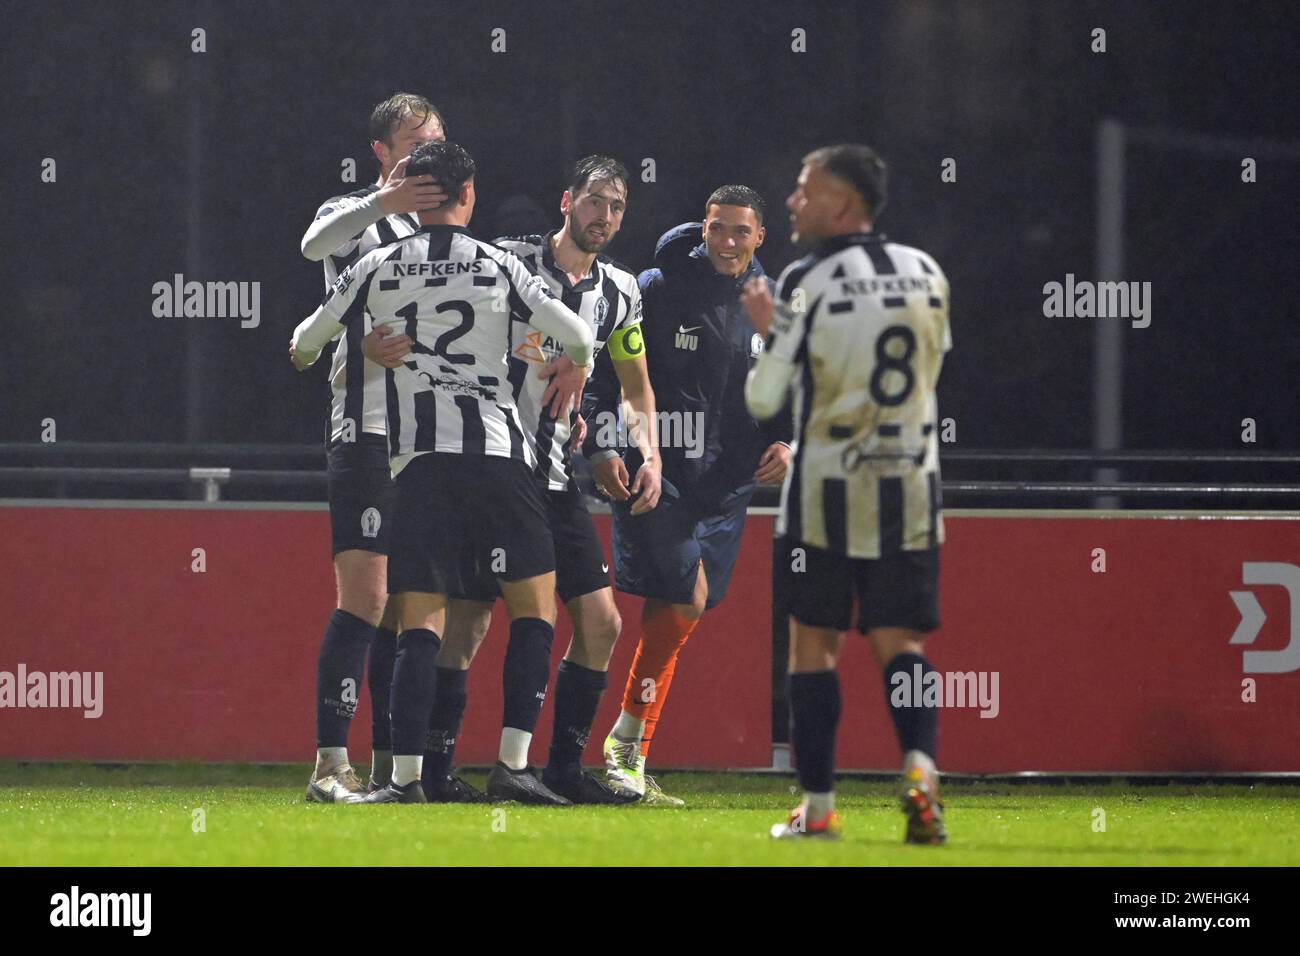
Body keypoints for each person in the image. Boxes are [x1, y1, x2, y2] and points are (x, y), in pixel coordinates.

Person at [290, 140, 596, 804]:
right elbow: (576, 333)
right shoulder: (498, 264)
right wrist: (578, 360)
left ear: (418, 192)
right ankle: (513, 764)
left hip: (416, 464)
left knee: (418, 620)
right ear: (469, 194)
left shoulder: (374, 262)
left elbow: (301, 346)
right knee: (533, 608)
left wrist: (364, 345)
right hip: (500, 458)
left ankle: (403, 780)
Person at [368, 157, 663, 804]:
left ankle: (556, 768)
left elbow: (637, 387)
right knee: (469, 620)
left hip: (557, 471)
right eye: (594, 201)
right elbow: (458, 330)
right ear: (567, 201)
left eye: (616, 207)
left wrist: (648, 452)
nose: (603, 217)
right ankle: (440, 768)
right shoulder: (509, 260)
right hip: (494, 461)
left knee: (601, 622)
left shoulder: (621, 291)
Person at [743, 144, 951, 844]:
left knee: (814, 648)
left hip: (824, 489)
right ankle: (920, 770)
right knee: (902, 643)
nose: (794, 202)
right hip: (910, 484)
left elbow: (764, 395)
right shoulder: (926, 272)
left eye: (805, 191)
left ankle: (821, 808)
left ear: (844, 203)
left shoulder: (805, 279)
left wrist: (774, 332)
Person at [584, 186, 793, 805]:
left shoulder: (771, 303)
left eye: (741, 232)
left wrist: (788, 441)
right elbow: (603, 371)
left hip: (728, 483)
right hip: (657, 468)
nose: (727, 242)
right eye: (718, 228)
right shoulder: (653, 285)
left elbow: (795, 384)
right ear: (702, 227)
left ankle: (628, 755)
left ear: (760, 238)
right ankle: (619, 744)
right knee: (685, 594)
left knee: (677, 611)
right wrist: (602, 447)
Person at [298, 92, 448, 803]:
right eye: (415, 144)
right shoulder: (354, 216)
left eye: (438, 140)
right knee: (365, 596)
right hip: (364, 426)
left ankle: (395, 766)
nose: (428, 154)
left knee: (407, 603)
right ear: (383, 155)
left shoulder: (443, 231)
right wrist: (382, 205)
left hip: (427, 439)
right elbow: (313, 245)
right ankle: (330, 765)